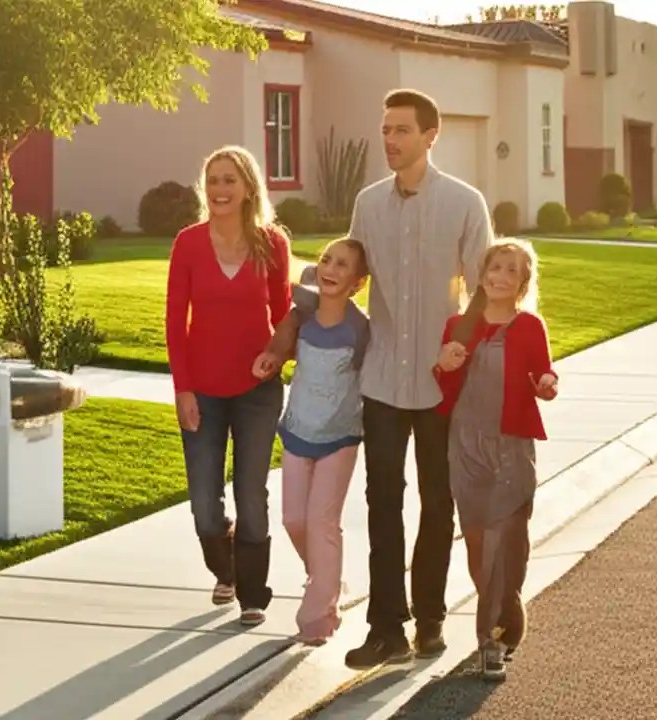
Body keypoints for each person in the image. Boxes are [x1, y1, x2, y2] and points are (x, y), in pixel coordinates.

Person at [258, 89, 495, 668]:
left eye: (401, 131)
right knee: (382, 502)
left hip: (442, 385)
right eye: (385, 129)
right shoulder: (368, 204)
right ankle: (387, 626)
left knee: (439, 505)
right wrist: (287, 330)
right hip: (382, 380)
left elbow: (485, 288)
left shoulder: (466, 204)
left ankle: (431, 617)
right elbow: (337, 273)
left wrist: (459, 344)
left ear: (430, 136)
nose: (389, 140)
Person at [165, 145, 292, 627]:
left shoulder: (271, 243)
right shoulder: (189, 244)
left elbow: (282, 317)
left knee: (251, 489)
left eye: (229, 180)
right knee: (203, 503)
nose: (220, 189)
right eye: (213, 180)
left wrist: (278, 356)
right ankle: (226, 567)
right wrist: (183, 389)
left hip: (257, 391)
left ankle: (254, 593)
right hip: (203, 390)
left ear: (247, 188)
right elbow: (176, 323)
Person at [433, 239, 558, 681]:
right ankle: (503, 617)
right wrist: (443, 366)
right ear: (482, 273)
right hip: (465, 445)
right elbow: (443, 392)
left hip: (511, 446)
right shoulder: (459, 325)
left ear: (523, 282)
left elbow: (544, 371)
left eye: (511, 271)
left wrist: (546, 382)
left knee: (508, 540)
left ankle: (491, 637)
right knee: (477, 543)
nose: (501, 276)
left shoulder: (529, 327)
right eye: (495, 267)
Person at [256, 238, 370, 645]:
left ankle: (317, 614)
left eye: (343, 265)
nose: (331, 269)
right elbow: (280, 345)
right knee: (293, 520)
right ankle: (326, 578)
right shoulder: (302, 316)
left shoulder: (361, 329)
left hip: (340, 437)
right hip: (298, 431)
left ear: (357, 283)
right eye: (326, 260)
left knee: (322, 523)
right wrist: (270, 356)